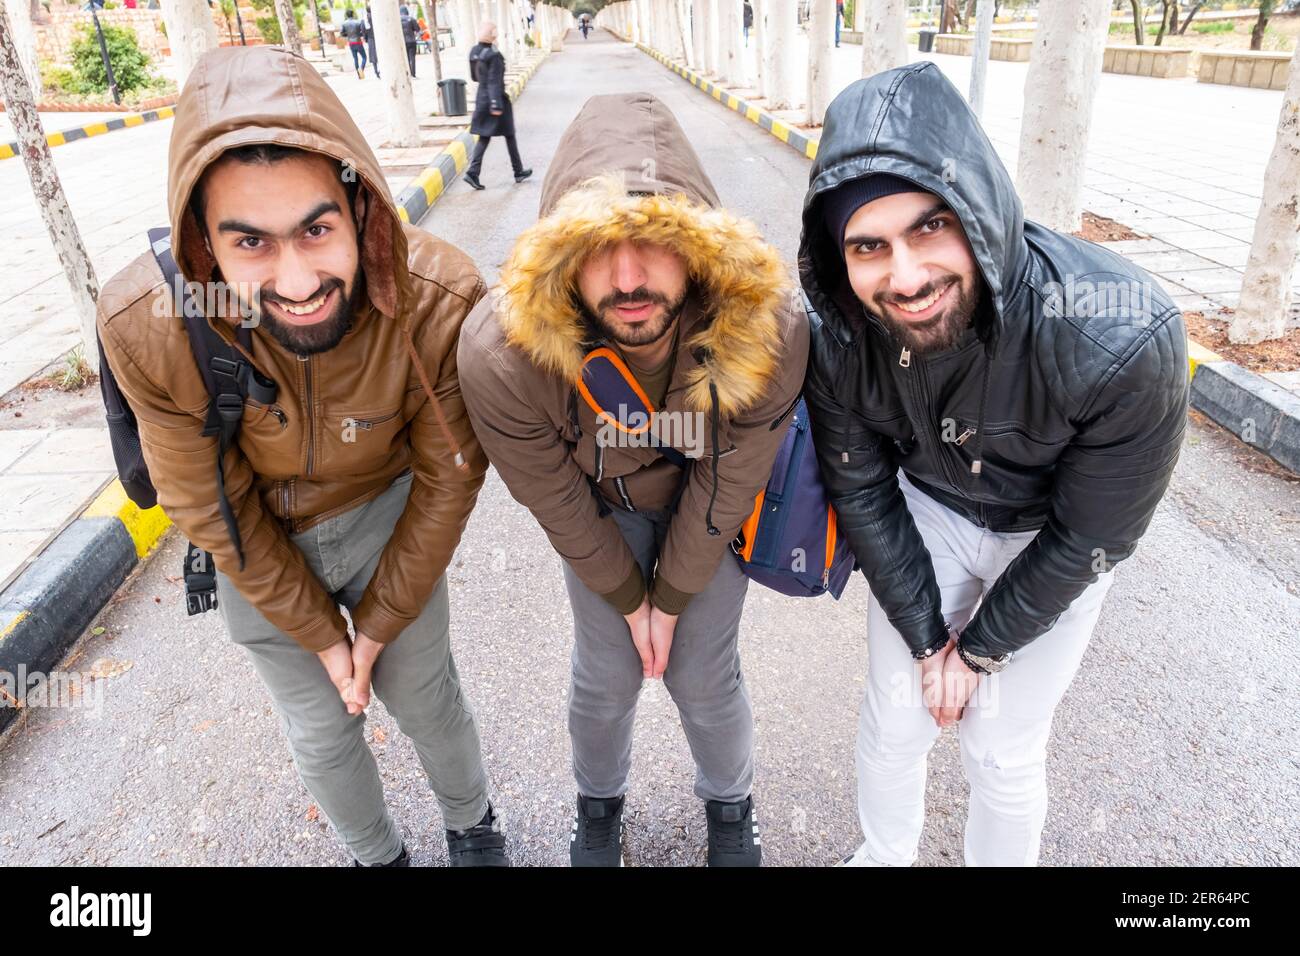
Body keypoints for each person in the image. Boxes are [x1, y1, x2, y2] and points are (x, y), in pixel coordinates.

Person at [95, 46, 507, 868]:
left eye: (316, 230)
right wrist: (326, 638)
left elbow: (448, 476)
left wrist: (378, 626)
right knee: (322, 729)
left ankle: (473, 828)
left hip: (390, 515)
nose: (296, 278)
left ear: (359, 211)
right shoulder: (148, 323)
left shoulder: (441, 299)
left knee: (425, 697)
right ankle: (375, 855)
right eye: (251, 243)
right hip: (256, 543)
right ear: (203, 247)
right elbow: (208, 504)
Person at [799, 64, 1189, 867]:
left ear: (979, 212)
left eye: (929, 228)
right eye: (868, 246)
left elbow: (1094, 533)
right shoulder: (838, 330)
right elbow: (861, 485)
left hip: (1049, 536)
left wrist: (977, 652)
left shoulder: (1122, 337)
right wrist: (924, 637)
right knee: (897, 713)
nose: (904, 276)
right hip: (928, 511)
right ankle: (884, 853)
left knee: (1001, 745)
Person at [458, 92, 809, 867]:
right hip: (599, 508)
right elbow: (551, 494)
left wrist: (673, 598)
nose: (625, 277)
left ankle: (730, 808)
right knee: (605, 675)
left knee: (702, 672)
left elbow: (732, 475)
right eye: (593, 248)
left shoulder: (768, 326)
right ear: (556, 261)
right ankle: (598, 806)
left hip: (704, 503)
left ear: (701, 250)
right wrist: (628, 598)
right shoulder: (500, 351)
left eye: (655, 242)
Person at [462, 21, 531, 190]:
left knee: (485, 136)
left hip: (481, 98)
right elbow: (494, 81)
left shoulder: (474, 51)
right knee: (509, 134)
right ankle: (517, 171)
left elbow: (474, 77)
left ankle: (474, 172)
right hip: (496, 100)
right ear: (493, 35)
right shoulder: (494, 55)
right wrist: (496, 105)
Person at [341, 8, 368, 78]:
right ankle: (361, 70)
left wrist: (348, 35)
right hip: (358, 42)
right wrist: (360, 35)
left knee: (355, 58)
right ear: (352, 14)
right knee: (364, 57)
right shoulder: (358, 22)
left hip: (351, 43)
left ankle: (359, 74)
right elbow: (362, 31)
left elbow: (342, 33)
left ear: (347, 15)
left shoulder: (344, 23)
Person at [400, 4, 419, 76]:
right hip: (412, 41)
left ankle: (407, 73)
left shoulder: (397, 20)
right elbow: (417, 29)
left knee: (406, 58)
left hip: (403, 42)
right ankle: (413, 73)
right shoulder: (411, 19)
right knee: (412, 57)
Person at [363, 4, 381, 78]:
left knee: (373, 55)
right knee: (380, 53)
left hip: (371, 38)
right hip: (378, 37)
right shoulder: (376, 16)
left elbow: (363, 29)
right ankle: (380, 70)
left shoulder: (365, 18)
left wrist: (365, 38)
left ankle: (376, 71)